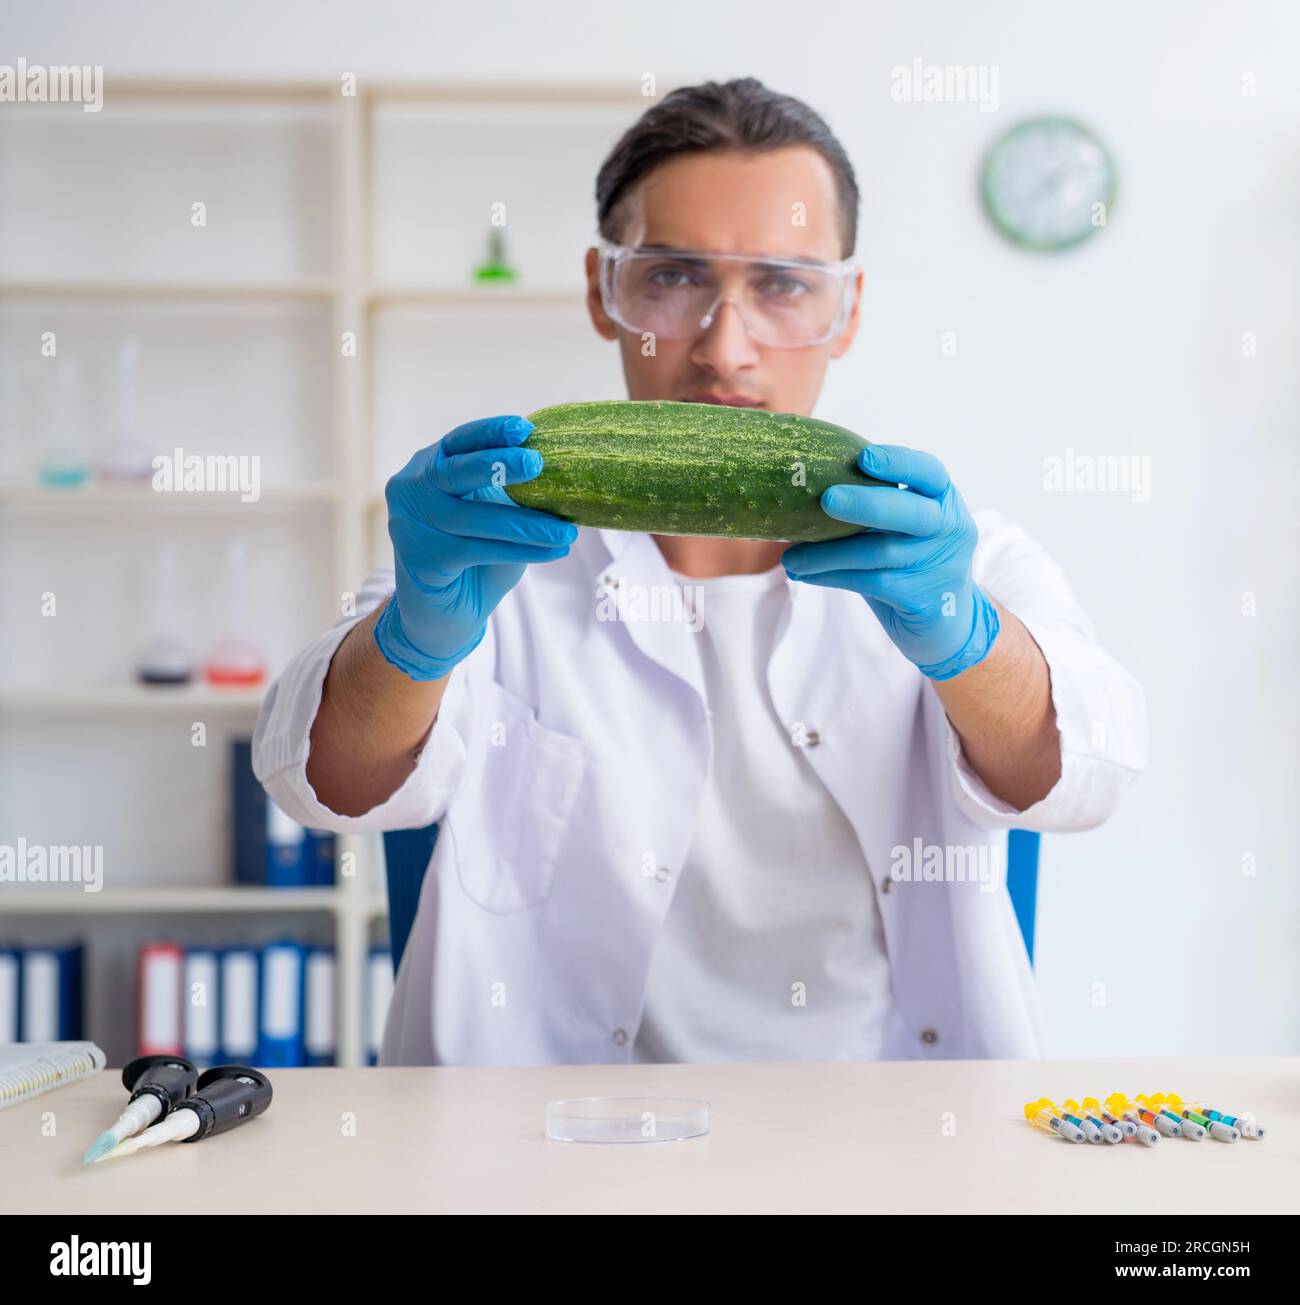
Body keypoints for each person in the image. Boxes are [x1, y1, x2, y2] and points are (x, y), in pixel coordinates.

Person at [253, 77, 1147, 1066]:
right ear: (605, 291)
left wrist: (966, 639)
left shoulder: (965, 556)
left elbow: (1084, 776)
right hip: (535, 1153)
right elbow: (322, 782)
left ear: (845, 312)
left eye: (783, 283)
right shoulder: (497, 557)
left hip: (890, 1145)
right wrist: (413, 640)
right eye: (673, 278)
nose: (726, 348)